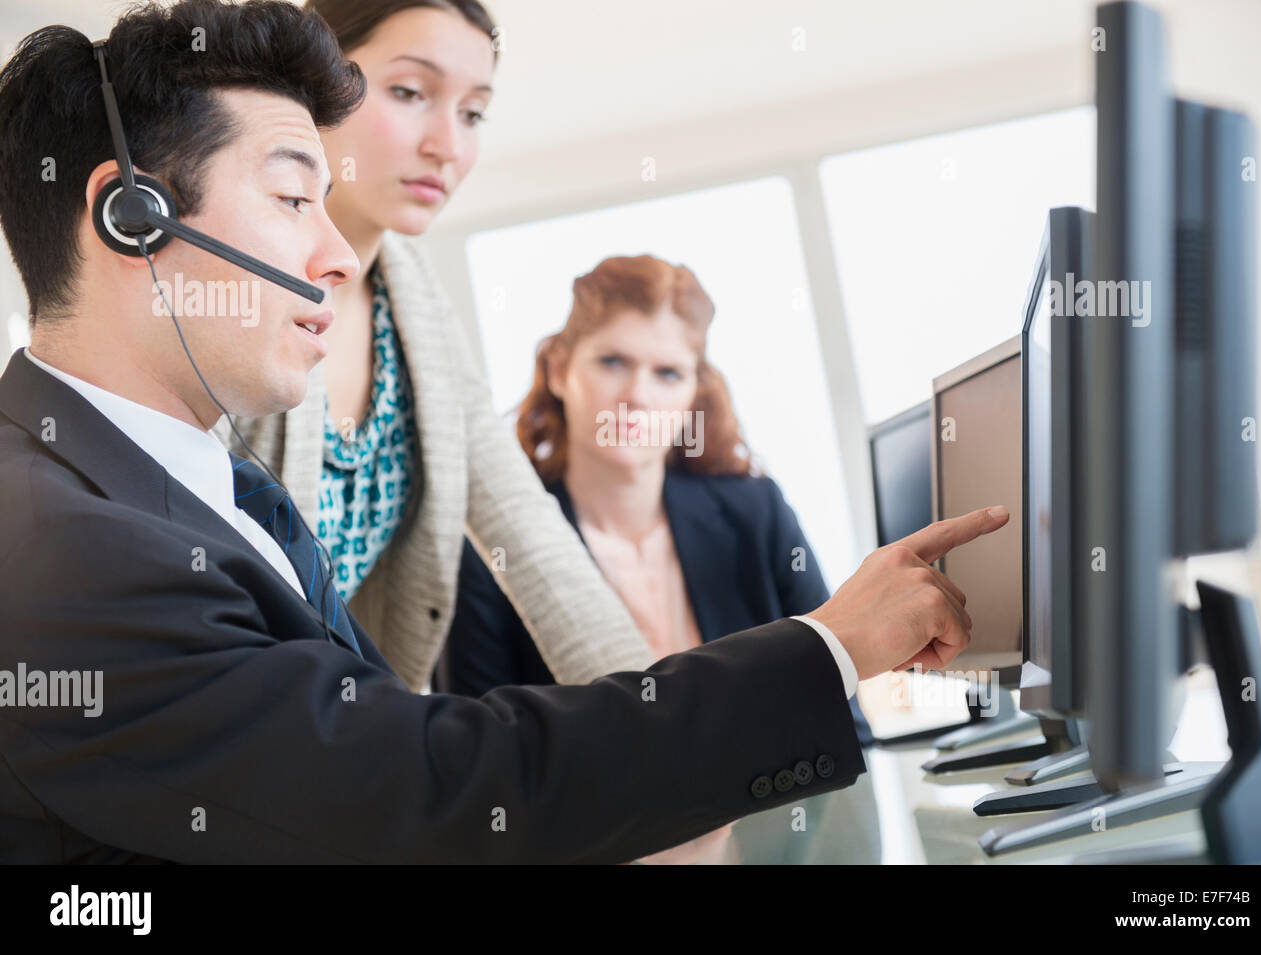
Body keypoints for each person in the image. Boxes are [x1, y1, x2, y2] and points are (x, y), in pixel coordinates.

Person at [0, 0, 1006, 863]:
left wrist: (687, 781)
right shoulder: (71, 549)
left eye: (475, 111)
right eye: (290, 195)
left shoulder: (218, 475)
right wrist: (820, 651)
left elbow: (537, 574)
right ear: (134, 217)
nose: (332, 260)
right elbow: (418, 781)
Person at [214, 0, 655, 694]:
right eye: (411, 93)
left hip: (344, 741)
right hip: (220, 735)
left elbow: (532, 538)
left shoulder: (416, 304)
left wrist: (667, 730)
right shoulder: (225, 289)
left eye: (473, 113)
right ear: (310, 81)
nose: (448, 146)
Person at [440, 254, 876, 756]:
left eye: (668, 373)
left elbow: (842, 717)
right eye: (612, 362)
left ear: (694, 392)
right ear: (559, 370)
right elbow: (483, 760)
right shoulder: (488, 550)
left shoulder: (756, 512)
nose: (637, 397)